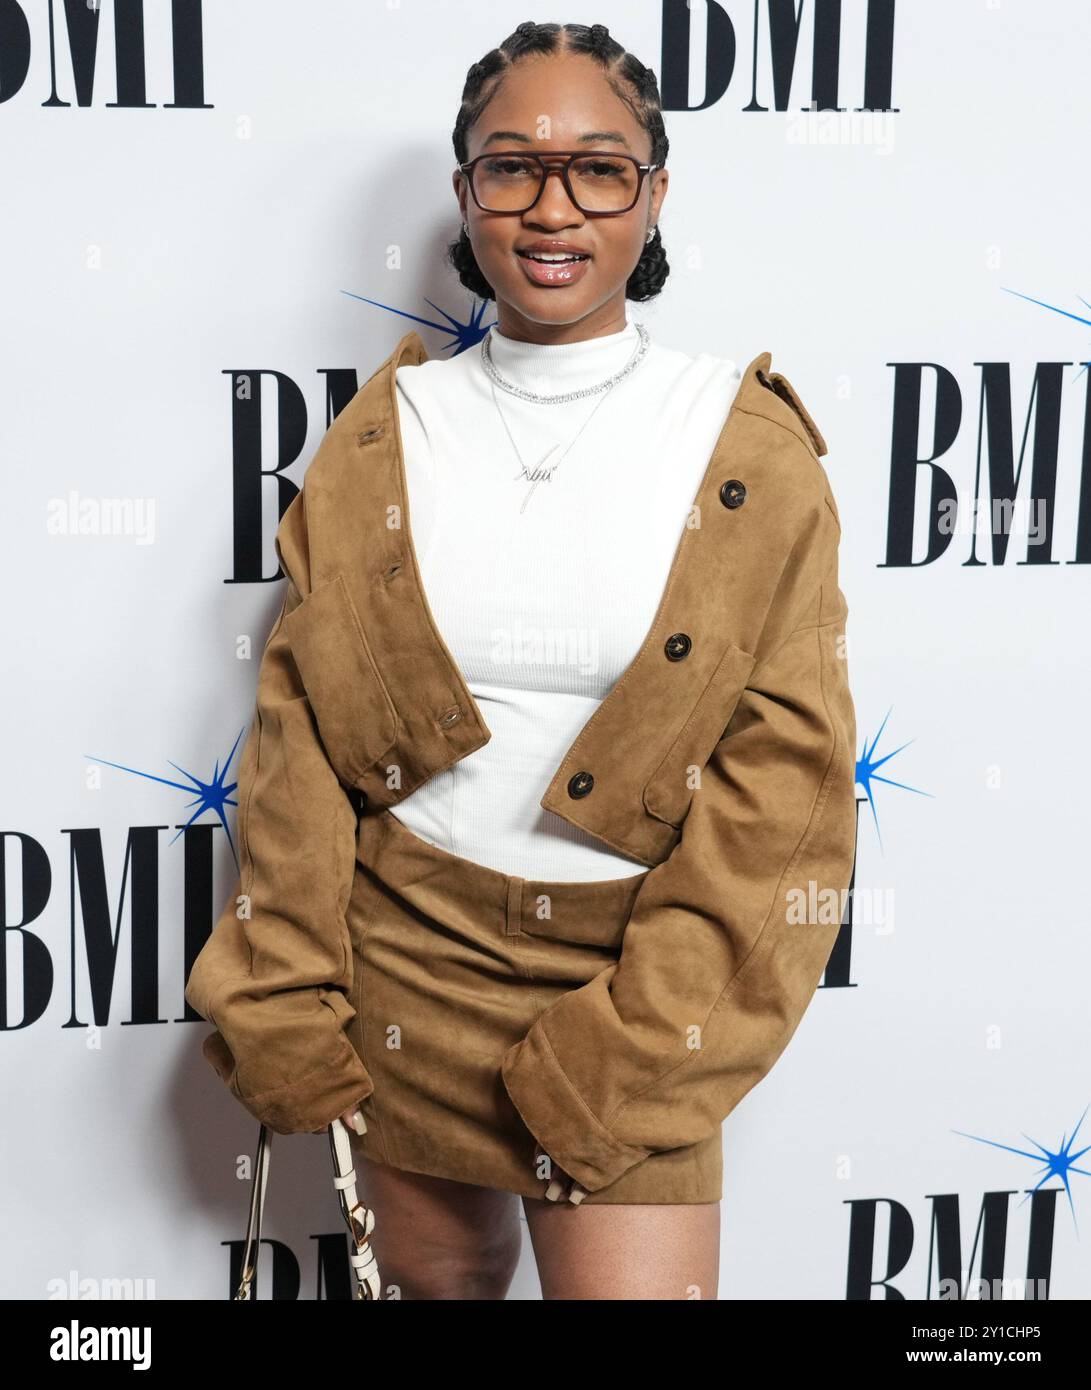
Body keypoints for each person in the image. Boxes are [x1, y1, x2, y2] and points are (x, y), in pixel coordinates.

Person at [186, 19, 857, 1301]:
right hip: (405, 972)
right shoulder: (383, 437)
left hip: (637, 991)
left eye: (599, 168)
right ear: (464, 192)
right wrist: (282, 991)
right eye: (512, 166)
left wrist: (635, 1043)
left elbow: (790, 791)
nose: (554, 207)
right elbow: (299, 743)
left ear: (653, 194)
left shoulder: (746, 449)